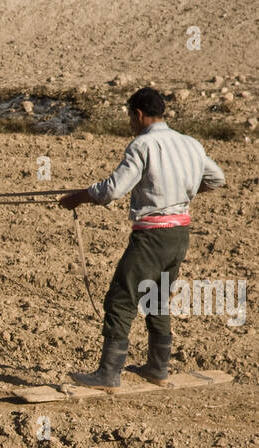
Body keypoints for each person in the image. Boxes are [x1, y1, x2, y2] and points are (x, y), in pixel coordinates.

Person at [59, 87, 226, 389]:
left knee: (121, 298)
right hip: (180, 234)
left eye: (130, 116)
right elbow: (216, 178)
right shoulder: (191, 144)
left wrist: (79, 197)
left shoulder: (142, 146)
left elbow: (113, 190)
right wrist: (182, 193)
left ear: (138, 114)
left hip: (151, 236)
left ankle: (108, 374)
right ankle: (158, 368)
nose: (130, 123)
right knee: (157, 298)